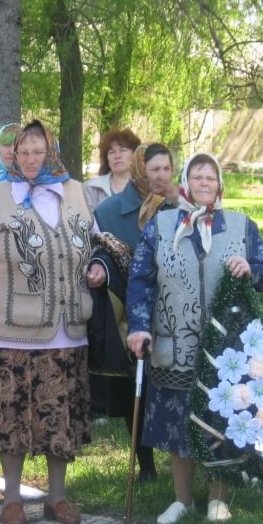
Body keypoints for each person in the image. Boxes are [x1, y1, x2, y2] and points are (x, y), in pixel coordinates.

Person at [0, 120, 108, 524]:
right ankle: (11, 497)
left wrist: (97, 268)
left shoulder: (75, 192)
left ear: (52, 152)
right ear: (10, 154)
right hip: (10, 329)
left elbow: (98, 247)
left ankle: (56, 497)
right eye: (22, 152)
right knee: (12, 414)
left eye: (38, 152)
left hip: (67, 329)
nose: (29, 159)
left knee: (59, 416)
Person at [126, 152, 263, 524]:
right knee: (179, 421)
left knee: (222, 417)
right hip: (175, 343)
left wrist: (250, 270)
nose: (204, 183)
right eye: (197, 177)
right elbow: (140, 279)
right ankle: (182, 499)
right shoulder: (161, 226)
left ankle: (218, 497)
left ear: (220, 184)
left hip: (226, 349)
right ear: (185, 184)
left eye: (210, 177)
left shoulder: (242, 226)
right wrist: (139, 326)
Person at [92, 143, 176, 482]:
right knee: (136, 385)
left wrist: (177, 203)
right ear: (141, 171)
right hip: (133, 308)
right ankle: (146, 466)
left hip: (176, 306)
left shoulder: (181, 205)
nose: (160, 176)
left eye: (166, 169)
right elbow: (99, 250)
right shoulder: (110, 211)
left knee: (174, 382)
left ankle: (180, 458)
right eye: (153, 169)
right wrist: (100, 267)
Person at [84, 127, 141, 211]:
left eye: (123, 150)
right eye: (112, 152)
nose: (117, 156)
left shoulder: (146, 187)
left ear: (135, 154)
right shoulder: (92, 187)